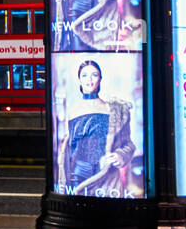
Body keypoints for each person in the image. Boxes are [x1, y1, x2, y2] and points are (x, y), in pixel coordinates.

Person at [57, 60, 135, 198]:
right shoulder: (73, 111)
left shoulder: (114, 110)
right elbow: (69, 149)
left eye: (94, 75)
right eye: (85, 75)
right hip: (78, 177)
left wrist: (119, 155)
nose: (89, 80)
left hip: (107, 177)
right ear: (79, 79)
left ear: (100, 79)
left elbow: (128, 144)